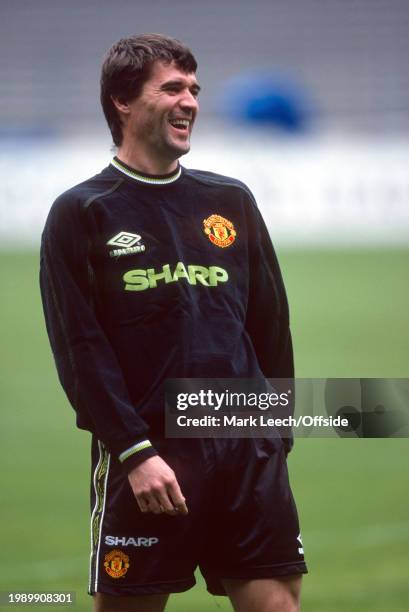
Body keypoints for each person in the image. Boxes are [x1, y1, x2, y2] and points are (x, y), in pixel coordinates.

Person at [40, 33, 307, 612]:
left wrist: (275, 434)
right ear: (123, 101)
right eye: (172, 88)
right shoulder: (83, 211)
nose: (190, 102)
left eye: (194, 89)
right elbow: (80, 348)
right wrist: (134, 452)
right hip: (151, 453)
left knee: (279, 604)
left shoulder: (231, 200)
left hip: (245, 447)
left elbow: (270, 326)